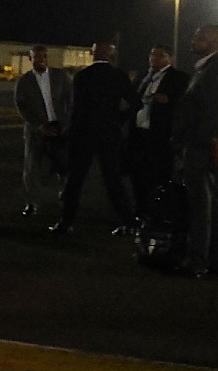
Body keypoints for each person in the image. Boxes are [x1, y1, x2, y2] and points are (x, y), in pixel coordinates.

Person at [51, 40, 137, 235]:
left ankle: (66, 221)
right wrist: (118, 119)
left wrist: (69, 132)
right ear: (111, 55)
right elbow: (134, 103)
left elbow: (76, 108)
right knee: (113, 180)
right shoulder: (119, 76)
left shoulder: (83, 76)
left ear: (93, 53)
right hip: (109, 134)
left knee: (74, 180)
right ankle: (128, 221)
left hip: (83, 134)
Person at [170, 24, 218, 277]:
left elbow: (215, 111)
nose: (194, 39)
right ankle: (217, 261)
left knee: (202, 206)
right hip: (205, 145)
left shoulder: (215, 70)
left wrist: (196, 142)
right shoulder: (208, 68)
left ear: (215, 41)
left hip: (202, 147)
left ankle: (197, 261)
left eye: (200, 36)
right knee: (215, 204)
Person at [12, 45, 70, 216]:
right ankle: (32, 202)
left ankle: (65, 199)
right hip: (37, 130)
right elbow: (22, 107)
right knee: (32, 168)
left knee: (64, 166)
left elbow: (71, 99)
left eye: (44, 56)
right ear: (31, 59)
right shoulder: (24, 81)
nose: (41, 59)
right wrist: (39, 125)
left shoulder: (61, 77)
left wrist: (67, 123)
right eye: (37, 57)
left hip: (60, 128)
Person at [127, 44, 189, 205]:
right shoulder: (143, 76)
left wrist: (168, 100)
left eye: (158, 55)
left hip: (160, 135)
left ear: (169, 58)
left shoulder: (179, 78)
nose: (153, 58)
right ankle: (140, 208)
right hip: (139, 133)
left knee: (158, 175)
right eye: (152, 54)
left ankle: (158, 210)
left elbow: (186, 103)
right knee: (137, 173)